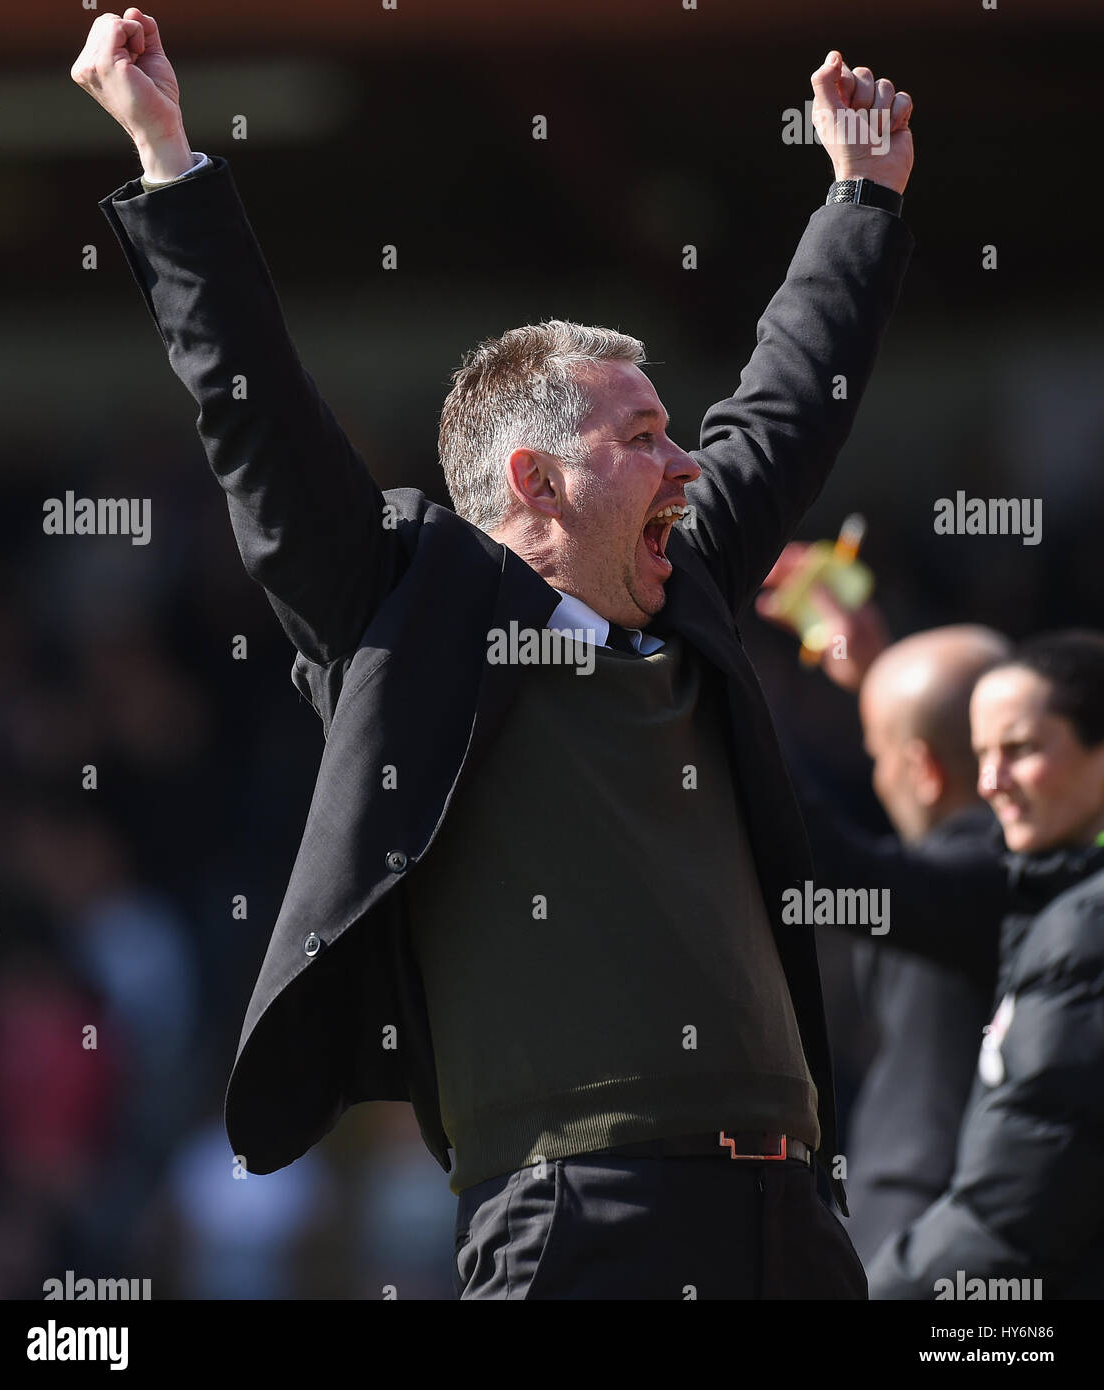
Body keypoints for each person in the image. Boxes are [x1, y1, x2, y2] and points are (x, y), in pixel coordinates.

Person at [73, 9, 915, 1298]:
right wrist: (167, 155)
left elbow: (786, 407)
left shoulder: (676, 588)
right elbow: (258, 415)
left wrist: (858, 199)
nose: (685, 462)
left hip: (794, 1215)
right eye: (641, 435)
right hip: (578, 1214)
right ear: (533, 479)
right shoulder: (402, 616)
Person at [756, 553, 1014, 1263]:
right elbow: (946, 734)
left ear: (921, 770)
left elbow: (827, 864)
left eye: (879, 754)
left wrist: (724, 686)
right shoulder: (1024, 865)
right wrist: (882, 680)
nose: (877, 770)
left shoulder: (987, 878)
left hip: (929, 1240)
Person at [867, 631, 1104, 1298]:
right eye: (981, 756)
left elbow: (1011, 1214)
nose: (991, 782)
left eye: (1021, 751)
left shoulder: (1082, 928)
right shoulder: (1055, 905)